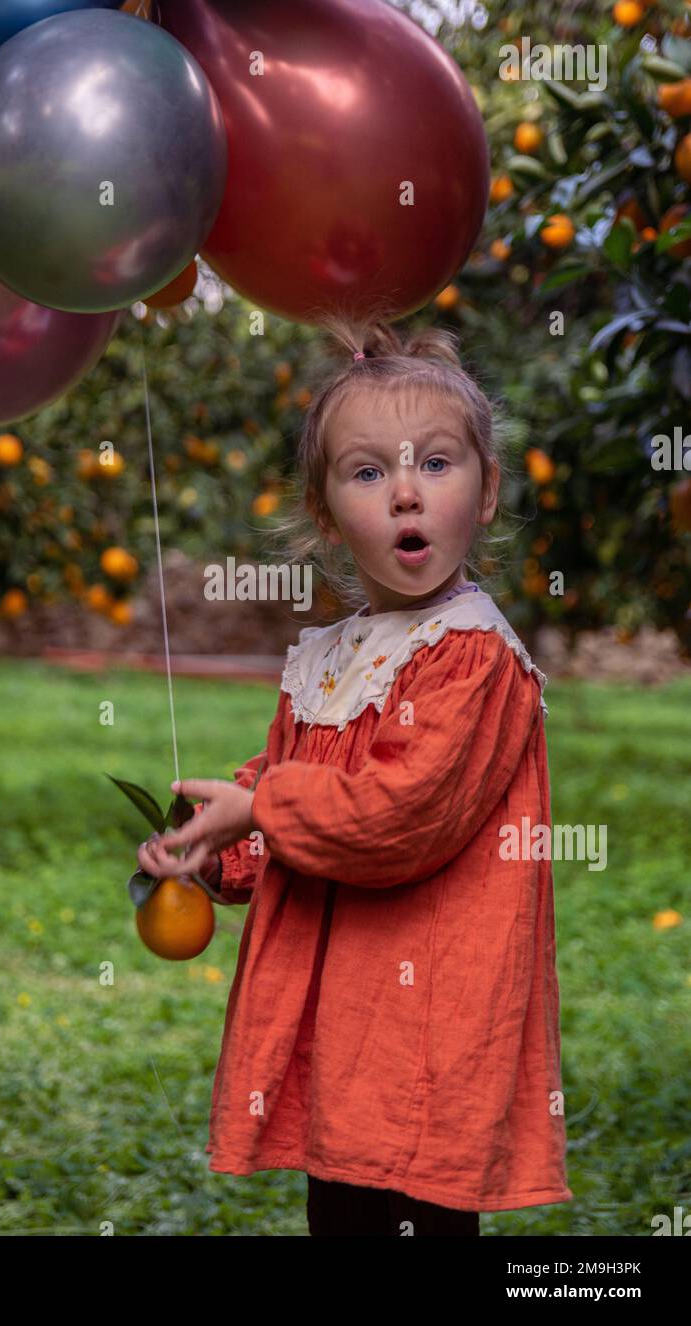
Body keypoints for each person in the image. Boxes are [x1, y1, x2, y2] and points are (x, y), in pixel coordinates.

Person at [136, 309, 573, 1236]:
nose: (406, 494)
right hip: (343, 1022)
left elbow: (401, 814)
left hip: (425, 1024)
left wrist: (259, 806)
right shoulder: (335, 655)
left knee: (407, 1204)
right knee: (340, 1206)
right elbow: (293, 782)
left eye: (436, 464)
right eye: (369, 472)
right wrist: (217, 849)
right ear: (329, 514)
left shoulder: (472, 656)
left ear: (487, 493)